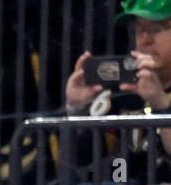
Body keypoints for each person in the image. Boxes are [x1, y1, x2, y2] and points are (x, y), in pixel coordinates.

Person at [66, 1, 171, 161]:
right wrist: (77, 110)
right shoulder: (124, 92)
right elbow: (79, 159)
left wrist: (160, 103)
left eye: (155, 29)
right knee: (95, 184)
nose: (144, 40)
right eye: (138, 29)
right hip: (126, 181)